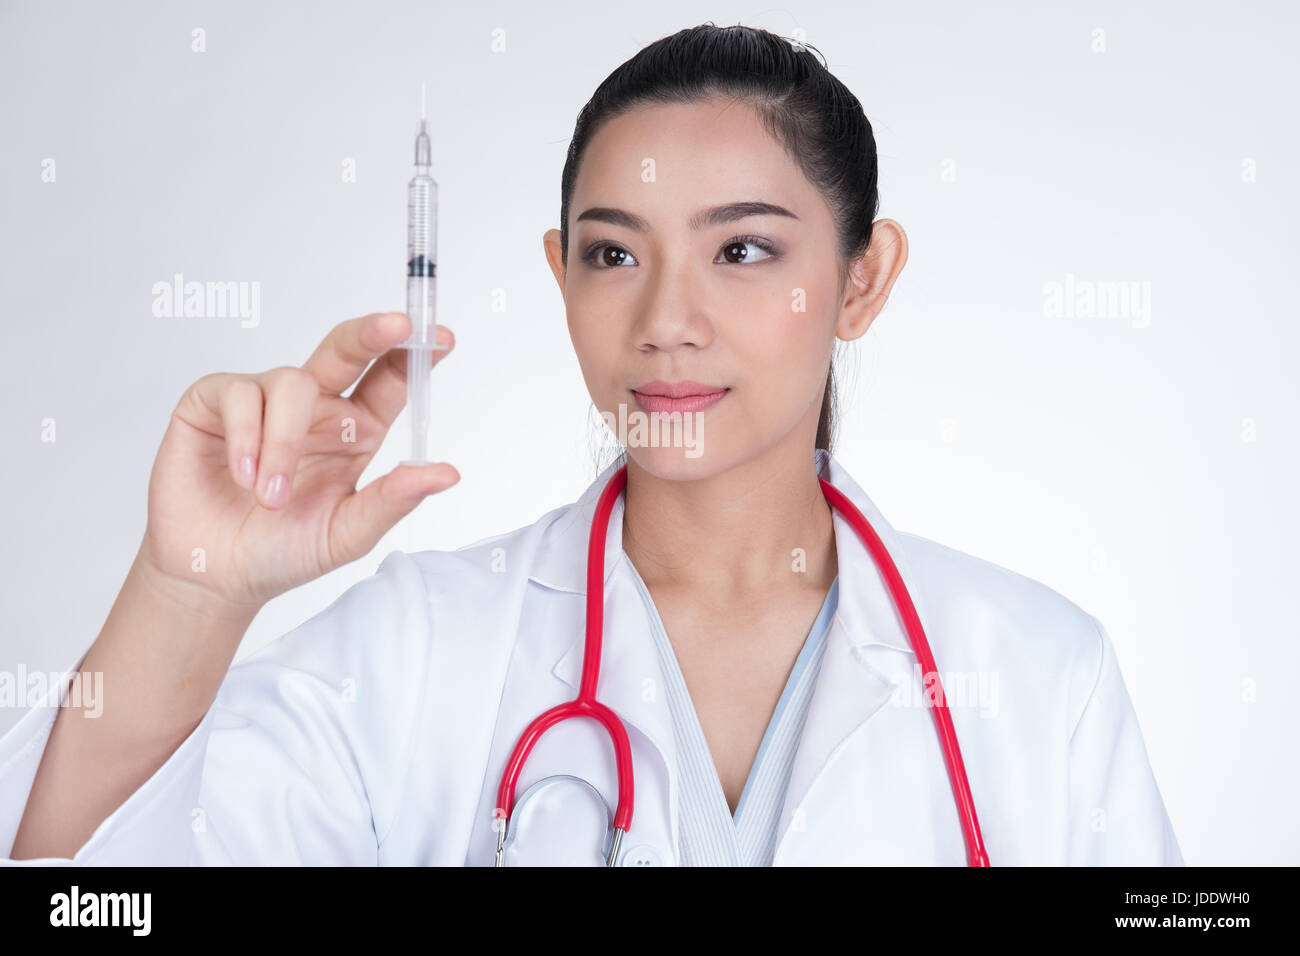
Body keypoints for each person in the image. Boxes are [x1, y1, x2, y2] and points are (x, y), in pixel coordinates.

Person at [0, 23, 1181, 866]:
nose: (665, 318)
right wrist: (186, 589)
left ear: (861, 280)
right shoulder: (416, 653)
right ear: (561, 277)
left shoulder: (1035, 674)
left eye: (743, 250)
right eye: (613, 254)